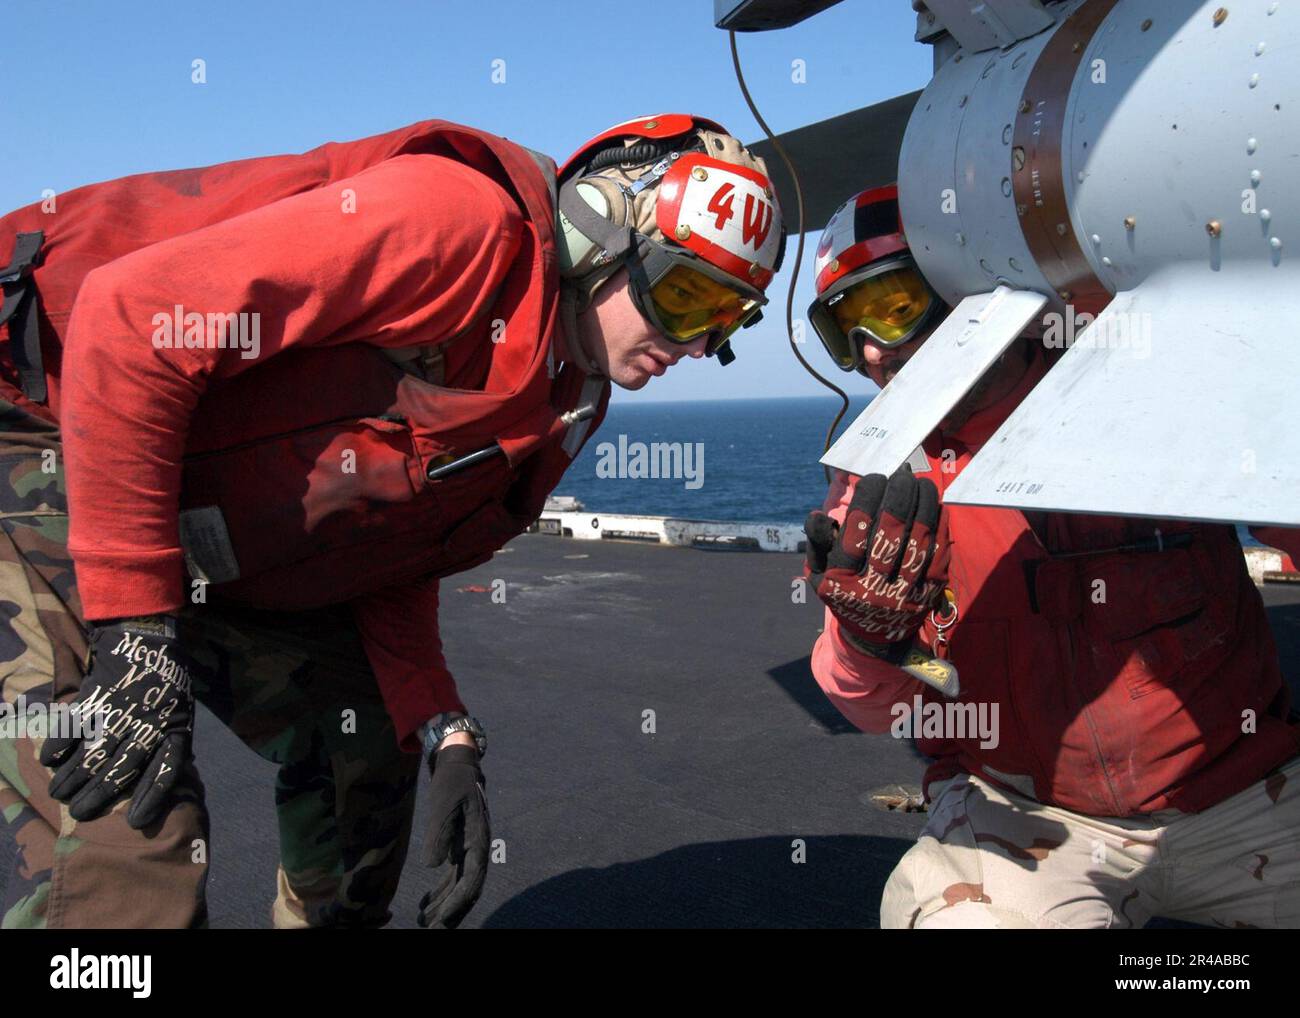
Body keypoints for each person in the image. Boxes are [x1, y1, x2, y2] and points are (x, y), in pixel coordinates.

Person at [0, 113, 783, 928]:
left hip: (194, 504)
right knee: (127, 826)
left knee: (365, 749)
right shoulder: (454, 225)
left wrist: (441, 726)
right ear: (602, 230)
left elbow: (394, 551)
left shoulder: (569, 401)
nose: (695, 344)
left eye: (724, 323)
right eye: (688, 296)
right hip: (47, 420)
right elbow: (129, 320)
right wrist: (137, 634)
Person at [803, 185, 1300, 929]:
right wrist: (869, 642)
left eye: (893, 303)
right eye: (847, 326)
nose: (872, 349)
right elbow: (869, 706)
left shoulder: (1137, 381)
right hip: (1025, 816)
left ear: (966, 287)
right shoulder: (881, 486)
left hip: (1242, 794)